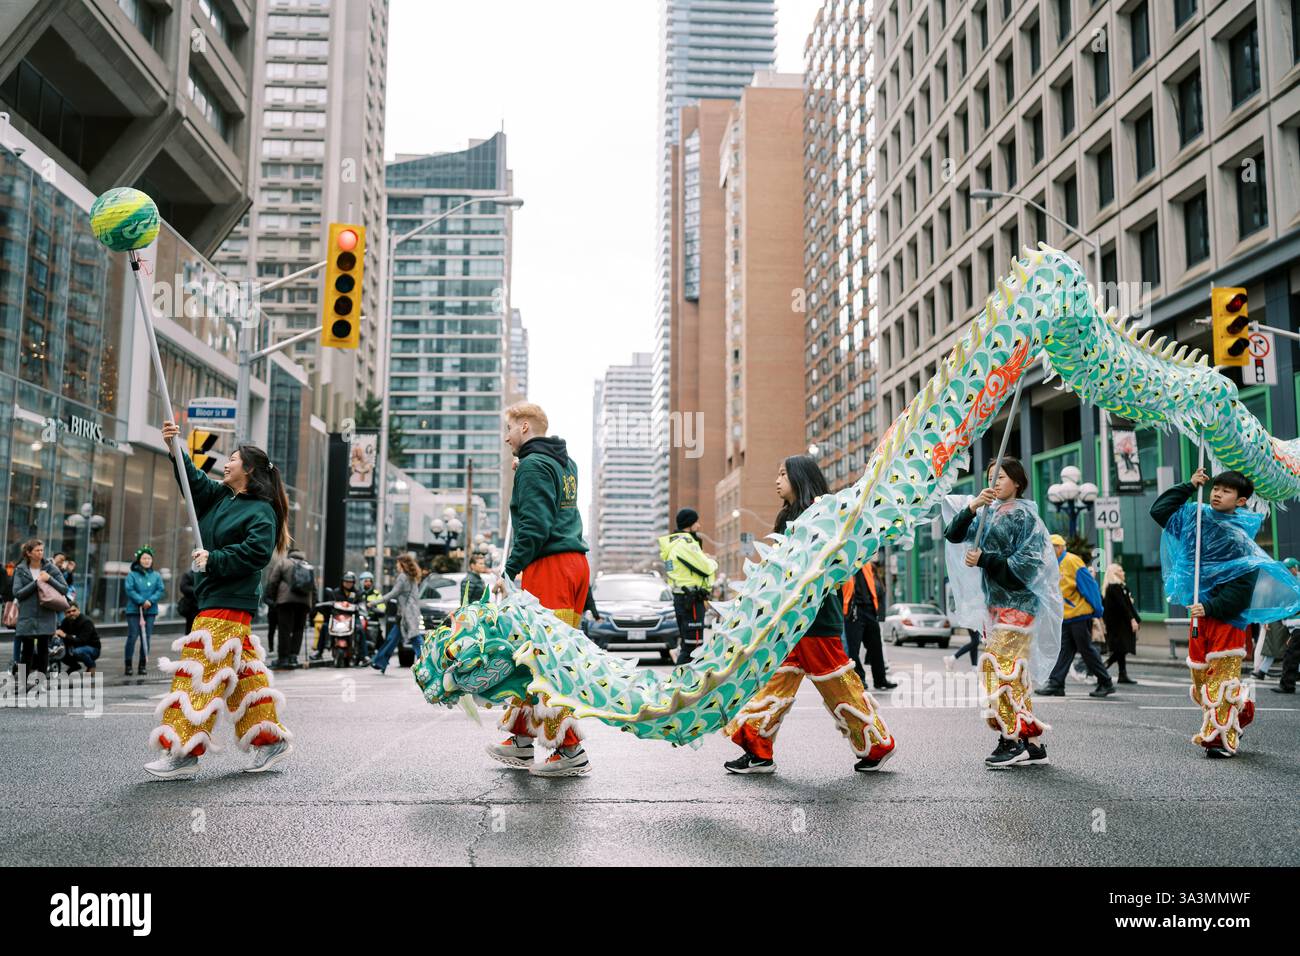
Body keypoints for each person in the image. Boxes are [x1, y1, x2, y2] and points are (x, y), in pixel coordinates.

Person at [723, 455, 896, 775]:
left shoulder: (822, 513)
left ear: (800, 479)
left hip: (816, 620)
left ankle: (877, 744)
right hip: (788, 622)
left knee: (839, 686)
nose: (777, 480)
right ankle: (757, 749)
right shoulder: (786, 517)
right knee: (774, 683)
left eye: (782, 474)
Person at [144, 419, 293, 780]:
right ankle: (269, 740)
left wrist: (215, 559)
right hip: (214, 598)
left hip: (228, 601)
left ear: (249, 469)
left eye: (232, 458)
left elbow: (257, 553)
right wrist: (174, 446)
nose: (225, 463)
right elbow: (194, 481)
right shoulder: (220, 496)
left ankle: (183, 752)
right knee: (244, 677)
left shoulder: (261, 510)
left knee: (200, 675)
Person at [1151, 467, 1300, 756]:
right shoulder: (1197, 519)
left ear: (1241, 500)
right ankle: (1243, 706)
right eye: (1215, 488)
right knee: (1200, 679)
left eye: (1226, 490)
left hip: (1226, 619)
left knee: (1221, 679)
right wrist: (1187, 485)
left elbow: (1241, 591)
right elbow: (1160, 511)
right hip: (1199, 613)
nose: (1217, 493)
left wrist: (1211, 606)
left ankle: (1220, 738)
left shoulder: (1240, 541)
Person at [489, 401, 593, 778]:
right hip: (572, 566)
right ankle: (520, 739)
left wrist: (508, 571)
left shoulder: (535, 465)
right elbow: (566, 515)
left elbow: (535, 525)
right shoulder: (565, 463)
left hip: (549, 566)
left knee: (546, 658)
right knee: (529, 653)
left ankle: (569, 749)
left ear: (526, 428)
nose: (506, 437)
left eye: (510, 428)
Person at [943, 457, 1063, 768]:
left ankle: (1013, 739)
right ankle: (1032, 743)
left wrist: (985, 560)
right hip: (997, 607)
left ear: (1018, 482)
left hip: (1019, 606)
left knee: (997, 670)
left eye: (1002, 476)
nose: (995, 481)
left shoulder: (1025, 517)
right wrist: (972, 508)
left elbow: (1028, 566)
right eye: (990, 476)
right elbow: (953, 534)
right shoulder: (988, 513)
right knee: (1013, 676)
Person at [1038, 535, 1115, 698]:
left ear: (1059, 548)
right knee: (1064, 651)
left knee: (1086, 649)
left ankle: (1106, 682)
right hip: (1066, 615)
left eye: (1050, 548)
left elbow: (1089, 585)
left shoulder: (1072, 561)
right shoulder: (1053, 564)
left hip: (1079, 614)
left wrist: (1097, 609)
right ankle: (1056, 684)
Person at [658, 508, 718, 665]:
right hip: (691, 599)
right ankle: (680, 685)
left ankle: (681, 683)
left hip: (683, 598)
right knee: (694, 647)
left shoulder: (673, 544)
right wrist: (712, 561)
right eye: (696, 522)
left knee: (688, 644)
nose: (698, 525)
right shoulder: (686, 544)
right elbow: (706, 568)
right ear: (689, 524)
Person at [12, 538, 70, 684]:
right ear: (28, 553)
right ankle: (23, 682)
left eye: (42, 550)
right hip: (28, 615)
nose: (40, 553)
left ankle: (42, 683)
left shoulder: (50, 568)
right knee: (27, 650)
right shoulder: (21, 569)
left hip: (46, 614)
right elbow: (18, 593)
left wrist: (49, 578)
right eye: (37, 550)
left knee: (44, 649)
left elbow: (64, 588)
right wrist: (36, 582)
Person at [842, 561, 895, 689]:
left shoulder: (866, 563)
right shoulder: (845, 561)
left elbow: (873, 586)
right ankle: (859, 678)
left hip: (869, 608)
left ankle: (880, 680)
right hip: (853, 609)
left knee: (876, 647)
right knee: (852, 649)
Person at [370, 553, 424, 674]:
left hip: (406, 615)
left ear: (402, 564)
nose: (396, 566)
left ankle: (426, 662)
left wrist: (375, 602)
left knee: (415, 638)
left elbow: (393, 594)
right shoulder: (412, 577)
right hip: (410, 613)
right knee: (393, 639)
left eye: (397, 563)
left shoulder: (403, 577)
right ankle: (380, 662)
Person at [266, 548, 314, 669]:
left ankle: (283, 658)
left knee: (285, 629)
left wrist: (273, 597)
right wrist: (312, 605)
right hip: (304, 602)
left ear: (289, 554)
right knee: (299, 629)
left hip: (285, 601)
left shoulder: (284, 562)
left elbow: (273, 581)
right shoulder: (308, 565)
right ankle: (294, 656)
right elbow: (314, 587)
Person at [123, 545, 165, 677]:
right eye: (144, 558)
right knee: (133, 636)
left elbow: (160, 589)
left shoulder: (156, 576)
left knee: (146, 637)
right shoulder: (132, 575)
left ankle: (142, 665)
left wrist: (150, 601)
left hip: (150, 610)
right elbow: (129, 589)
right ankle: (128, 665)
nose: (147, 561)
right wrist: (141, 601)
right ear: (139, 560)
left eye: (149, 558)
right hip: (134, 610)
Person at [1102, 562, 1141, 685]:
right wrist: (1132, 620)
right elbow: (1123, 607)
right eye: (1120, 570)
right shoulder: (1114, 588)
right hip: (1119, 625)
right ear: (1114, 573)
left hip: (1118, 625)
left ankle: (1122, 674)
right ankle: (1103, 667)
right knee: (1121, 649)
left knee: (1121, 649)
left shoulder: (1119, 588)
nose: (1123, 572)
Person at [312, 571, 359, 660]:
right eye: (346, 581)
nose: (348, 584)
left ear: (353, 583)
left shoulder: (357, 593)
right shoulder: (335, 592)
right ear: (342, 582)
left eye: (350, 582)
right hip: (338, 619)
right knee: (325, 626)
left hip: (352, 618)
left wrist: (361, 606)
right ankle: (319, 651)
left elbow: (361, 604)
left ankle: (363, 655)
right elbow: (330, 606)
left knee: (360, 628)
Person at [56, 603, 99, 675]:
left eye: (74, 610)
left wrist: (65, 635)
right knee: (59, 652)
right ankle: (74, 666)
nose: (71, 613)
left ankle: (91, 665)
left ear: (78, 610)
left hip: (92, 648)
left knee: (77, 651)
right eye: (68, 612)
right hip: (75, 647)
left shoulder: (86, 622)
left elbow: (82, 641)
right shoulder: (65, 621)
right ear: (65, 614)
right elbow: (60, 632)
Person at [177, 570, 198, 634]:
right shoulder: (189, 574)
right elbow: (183, 587)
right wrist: (197, 590)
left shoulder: (207, 573)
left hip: (203, 607)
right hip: (191, 608)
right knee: (190, 630)